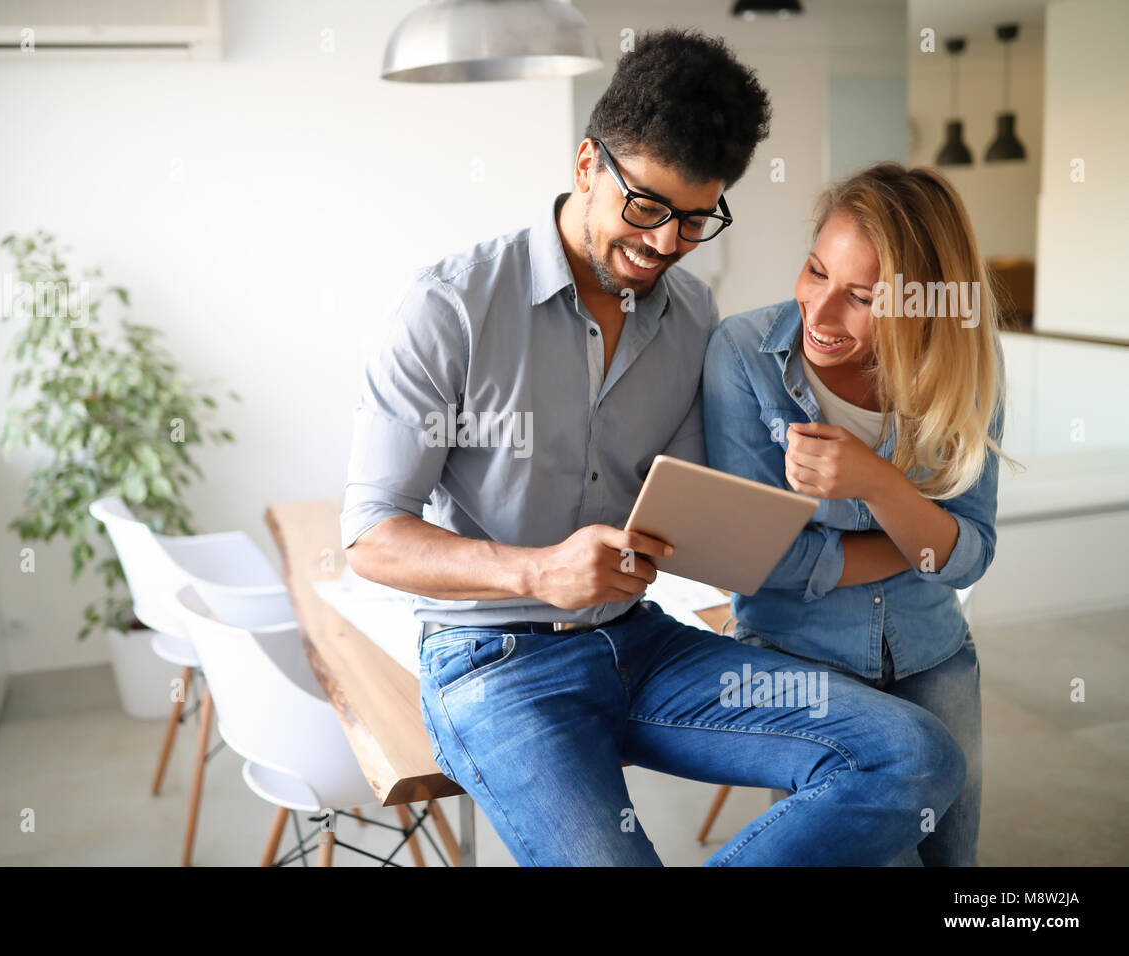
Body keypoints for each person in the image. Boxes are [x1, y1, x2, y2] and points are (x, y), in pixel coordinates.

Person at [341, 30, 964, 866]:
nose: (667, 243)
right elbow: (369, 536)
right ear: (587, 164)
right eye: (647, 207)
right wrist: (535, 571)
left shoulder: (693, 318)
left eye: (696, 218)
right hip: (493, 668)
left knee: (916, 757)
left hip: (641, 641)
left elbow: (703, 507)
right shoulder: (451, 309)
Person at [703, 162, 1013, 866]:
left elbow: (972, 553)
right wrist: (915, 535)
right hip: (800, 664)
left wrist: (877, 483)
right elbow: (762, 562)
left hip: (935, 654)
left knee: (953, 869)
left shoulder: (965, 360)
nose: (819, 311)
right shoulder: (745, 356)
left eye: (862, 296)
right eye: (815, 272)